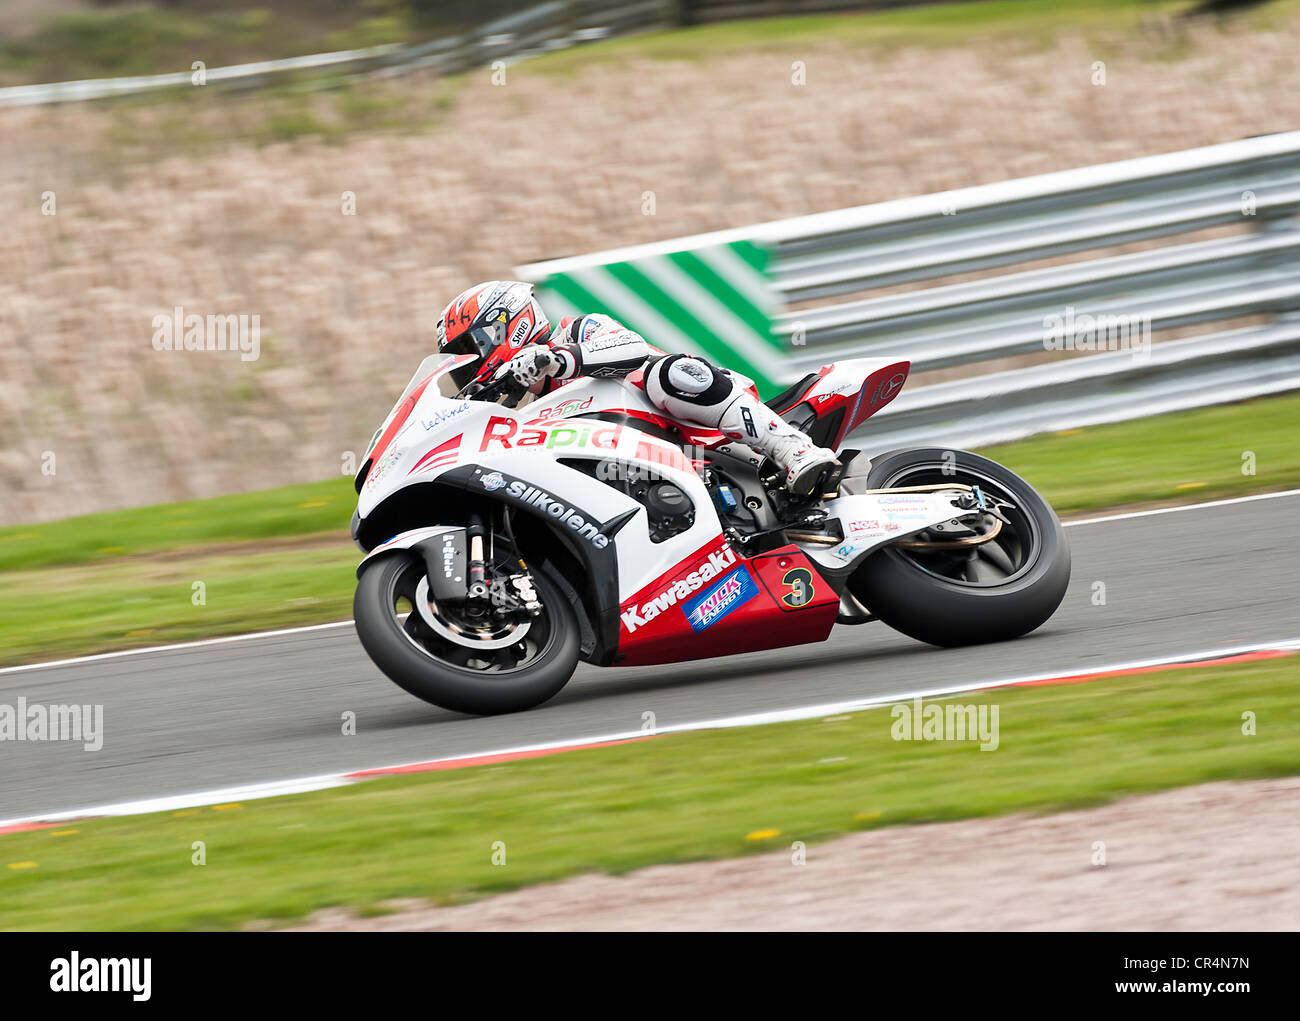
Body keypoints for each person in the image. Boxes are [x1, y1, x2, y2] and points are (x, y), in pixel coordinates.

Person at [437, 280, 840, 496]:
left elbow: (630, 348)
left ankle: (793, 449)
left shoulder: (578, 330)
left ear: (507, 326)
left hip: (702, 430)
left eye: (472, 350)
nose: (470, 367)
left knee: (667, 372)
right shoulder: (533, 413)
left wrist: (558, 358)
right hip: (659, 470)